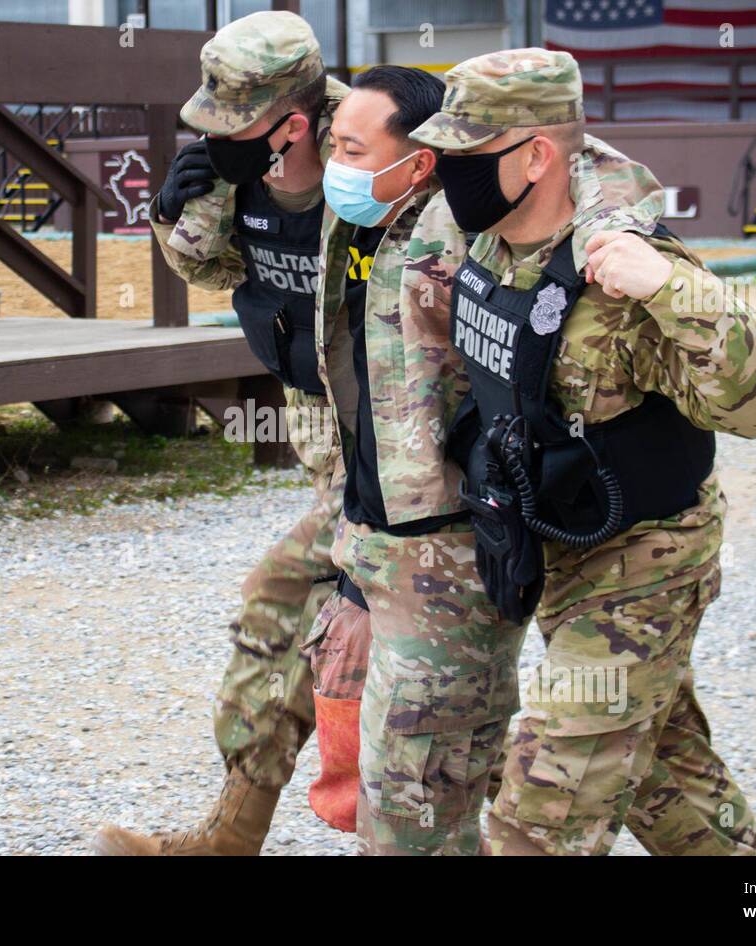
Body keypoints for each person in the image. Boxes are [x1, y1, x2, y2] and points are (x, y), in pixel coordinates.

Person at [408, 49, 756, 855]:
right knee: (664, 780)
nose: (448, 172)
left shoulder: (625, 268)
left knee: (543, 811)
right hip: (556, 550)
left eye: (467, 154)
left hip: (647, 564)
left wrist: (671, 289)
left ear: (535, 157)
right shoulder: (486, 241)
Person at [92, 11, 348, 856]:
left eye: (230, 125)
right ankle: (231, 835)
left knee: (313, 610)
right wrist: (169, 211)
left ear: (293, 125)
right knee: (319, 614)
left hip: (410, 444)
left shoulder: (372, 163)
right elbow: (214, 266)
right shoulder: (239, 174)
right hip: (327, 432)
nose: (212, 139)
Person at [306, 65, 529, 855]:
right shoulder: (358, 222)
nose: (335, 163)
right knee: (419, 790)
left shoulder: (467, 234)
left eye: (352, 149)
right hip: (374, 539)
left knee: (419, 804)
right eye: (333, 144)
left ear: (421, 161)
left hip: (449, 554)